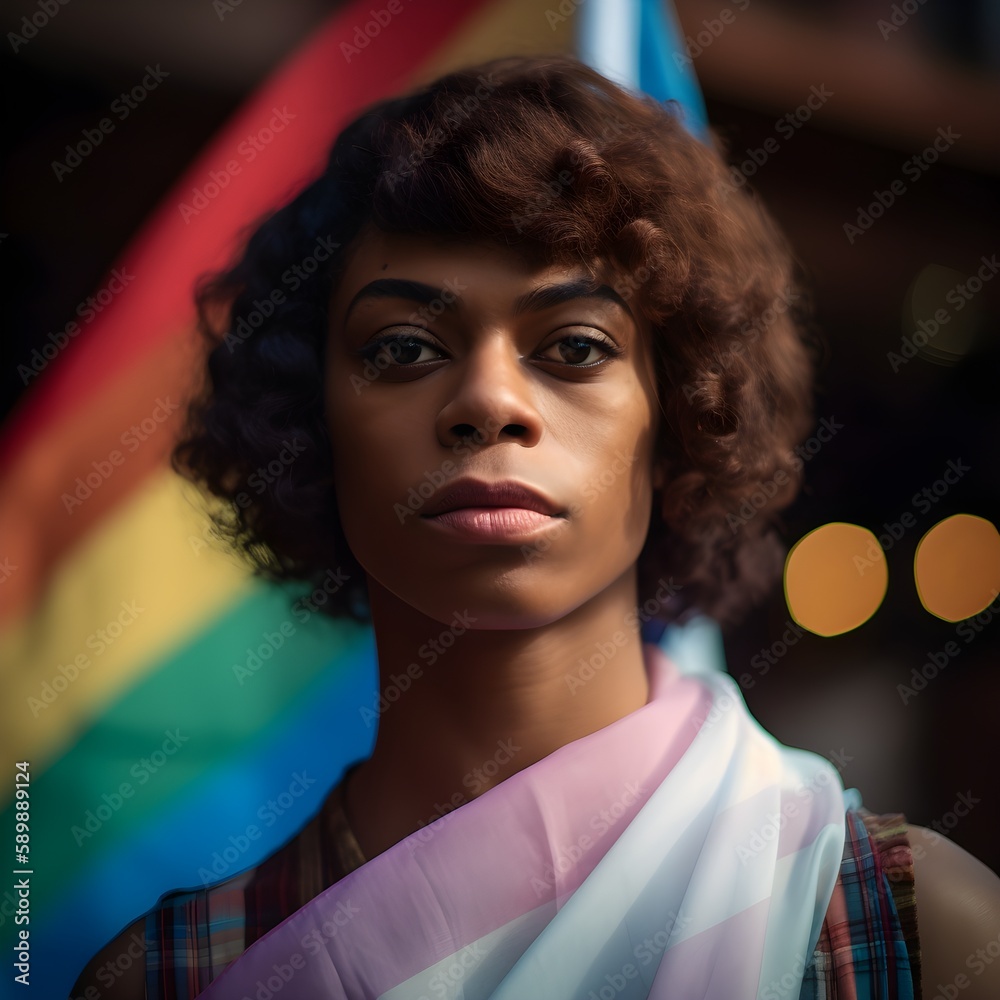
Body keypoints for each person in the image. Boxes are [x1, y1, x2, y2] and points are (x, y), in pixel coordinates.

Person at [71, 55, 1000, 999]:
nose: (488, 400)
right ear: (309, 427)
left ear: (678, 420)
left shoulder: (919, 937)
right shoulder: (163, 981)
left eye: (575, 347)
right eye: (403, 349)